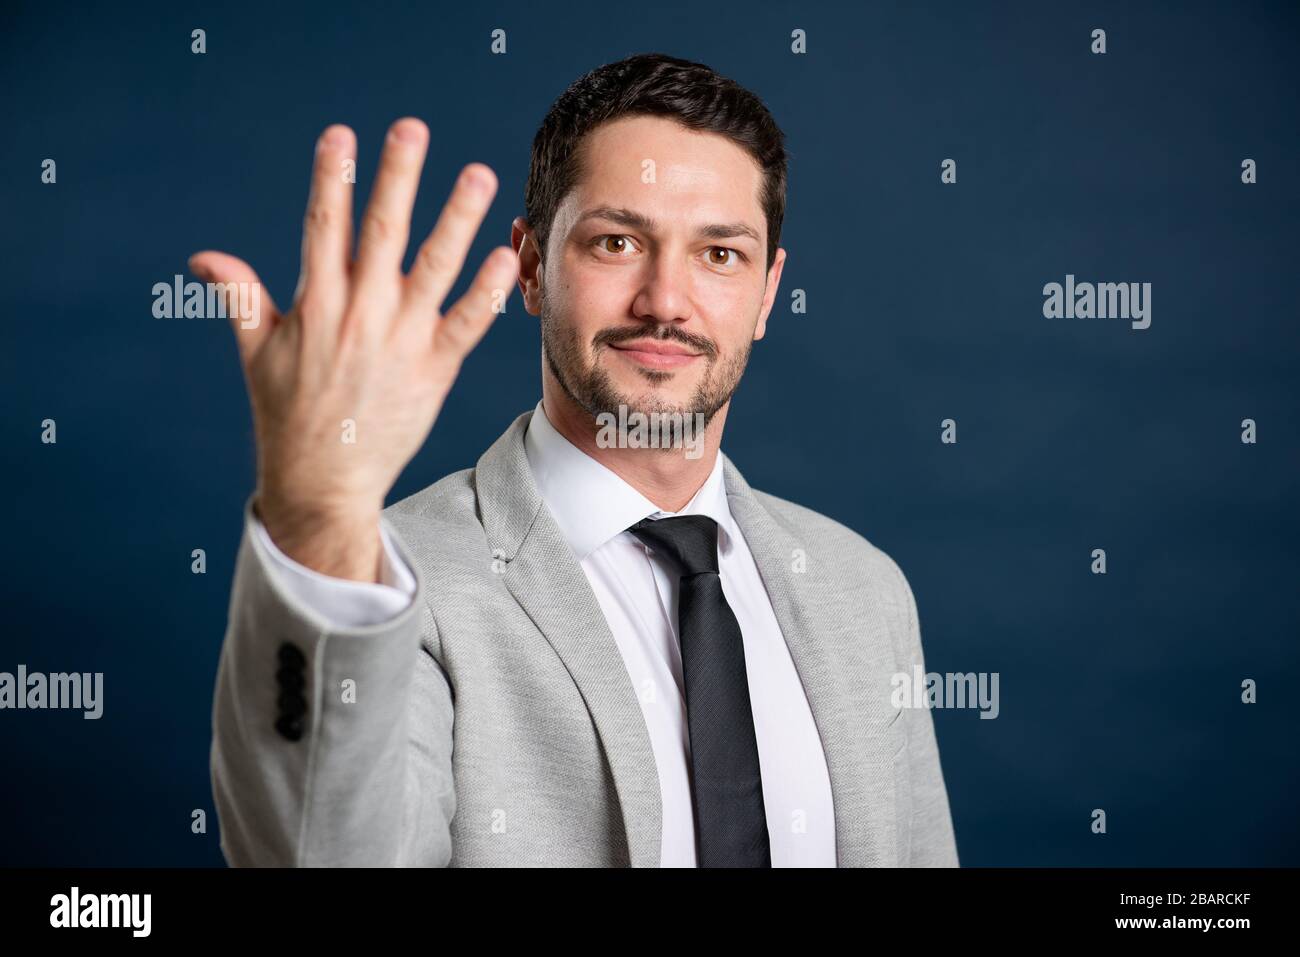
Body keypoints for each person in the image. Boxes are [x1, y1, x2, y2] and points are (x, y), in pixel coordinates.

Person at [196, 52, 959, 868]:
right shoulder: (391, 587)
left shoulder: (864, 590)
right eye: (618, 241)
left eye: (720, 254)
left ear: (769, 292)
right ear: (531, 266)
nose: (666, 301)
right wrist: (316, 517)